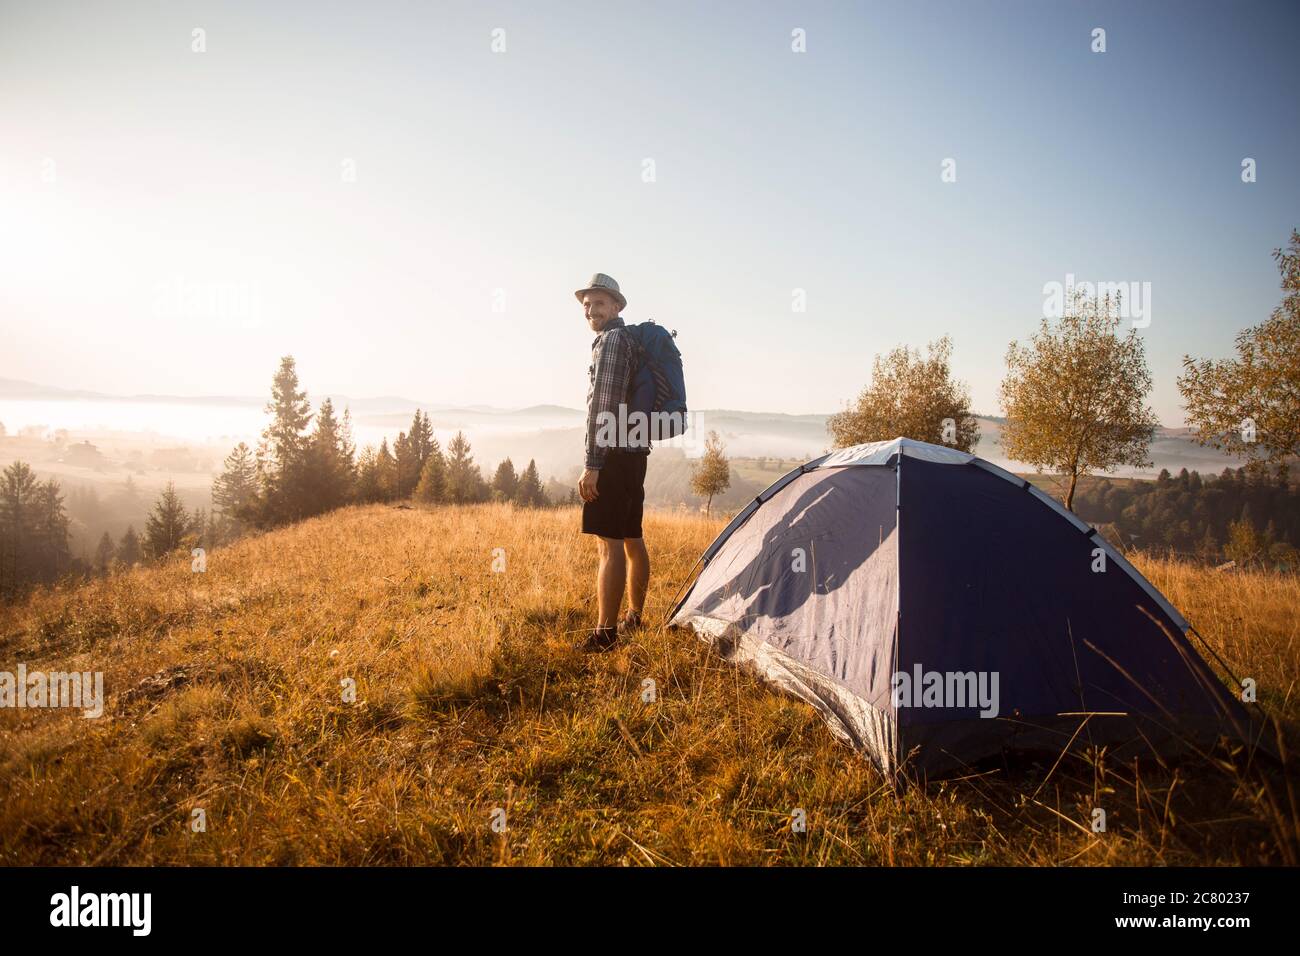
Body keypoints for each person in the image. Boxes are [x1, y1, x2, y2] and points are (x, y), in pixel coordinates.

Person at [574, 273, 650, 652]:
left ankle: (605, 634)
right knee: (633, 538)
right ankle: (634, 615)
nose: (591, 310)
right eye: (587, 304)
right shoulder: (631, 342)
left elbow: (604, 407)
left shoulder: (612, 342)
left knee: (610, 546)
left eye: (599, 303)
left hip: (613, 457)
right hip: (635, 454)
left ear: (617, 306)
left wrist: (592, 464)